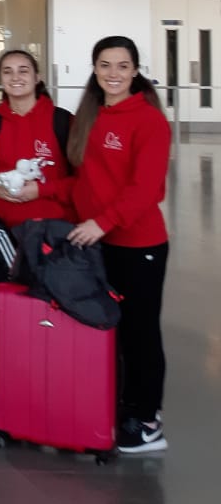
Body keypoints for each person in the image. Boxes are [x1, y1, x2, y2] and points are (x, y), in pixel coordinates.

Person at [65, 36, 171, 454]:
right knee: (111, 330)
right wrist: (38, 188)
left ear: (135, 71)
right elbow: (81, 181)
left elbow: (147, 189)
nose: (113, 74)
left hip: (137, 244)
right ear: (94, 69)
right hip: (98, 242)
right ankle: (121, 406)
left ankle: (148, 422)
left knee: (140, 333)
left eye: (122, 66)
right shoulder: (89, 115)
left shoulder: (148, 120)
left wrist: (103, 222)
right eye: (105, 65)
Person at [0, 49, 74, 228]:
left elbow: (81, 180)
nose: (15, 77)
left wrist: (41, 190)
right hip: (5, 228)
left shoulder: (62, 121)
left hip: (54, 229)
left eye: (23, 71)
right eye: (7, 72)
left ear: (37, 77)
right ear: (0, 79)